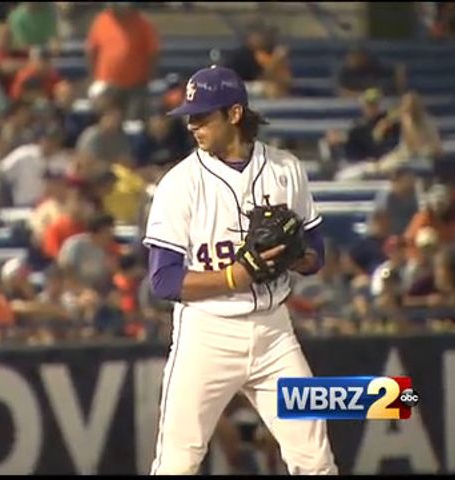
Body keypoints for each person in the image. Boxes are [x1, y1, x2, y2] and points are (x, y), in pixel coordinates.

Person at [142, 66, 337, 475]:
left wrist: (295, 256)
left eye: (202, 116)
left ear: (234, 114)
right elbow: (163, 281)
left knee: (315, 459)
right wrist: (237, 275)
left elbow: (317, 253)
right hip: (207, 335)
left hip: (273, 333)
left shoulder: (286, 168)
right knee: (178, 463)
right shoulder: (179, 185)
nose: (193, 125)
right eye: (190, 117)